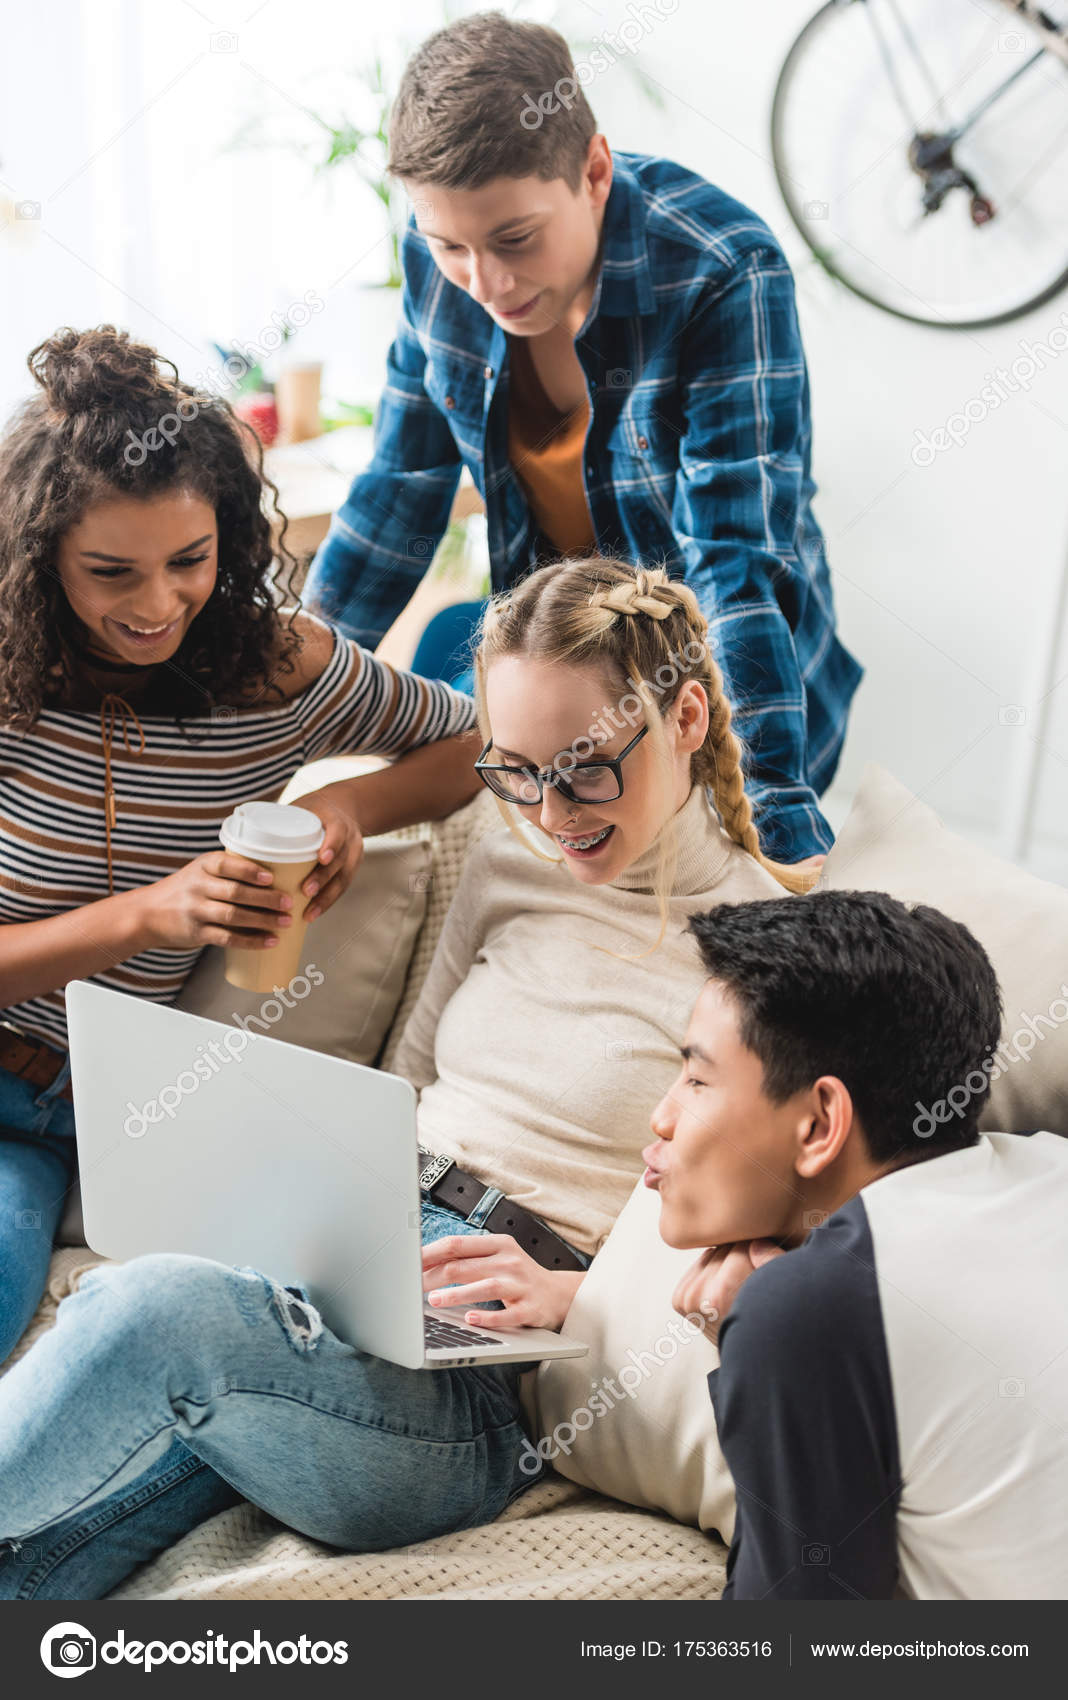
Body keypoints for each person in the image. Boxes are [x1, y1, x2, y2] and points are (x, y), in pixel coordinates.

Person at [0, 556, 808, 1600]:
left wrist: (585, 1295)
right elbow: (408, 1084)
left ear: (688, 714)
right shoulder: (510, 856)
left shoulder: (768, 961)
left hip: (477, 1390)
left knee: (147, 1308)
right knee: (36, 1566)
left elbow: (780, 1253)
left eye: (586, 767)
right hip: (350, 1268)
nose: (554, 811)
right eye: (518, 770)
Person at [0, 324, 483, 1367]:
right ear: (43, 559)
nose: (157, 604)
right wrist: (149, 916)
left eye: (188, 560)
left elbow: (476, 743)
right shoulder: (7, 679)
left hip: (85, 1115)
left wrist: (352, 805)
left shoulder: (271, 671)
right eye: (110, 572)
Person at [304, 11, 863, 869]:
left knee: (694, 919)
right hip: (559, 680)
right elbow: (398, 489)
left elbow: (733, 563)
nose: (484, 283)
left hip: (719, 691)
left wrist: (772, 816)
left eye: (514, 240)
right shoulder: (439, 268)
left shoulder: (723, 270)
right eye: (450, 244)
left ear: (594, 171)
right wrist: (286, 687)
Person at [644, 890, 1068, 1601]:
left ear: (818, 1125)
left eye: (695, 1079)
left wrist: (749, 1348)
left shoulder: (813, 1306)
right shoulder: (1049, 1169)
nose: (662, 1116)